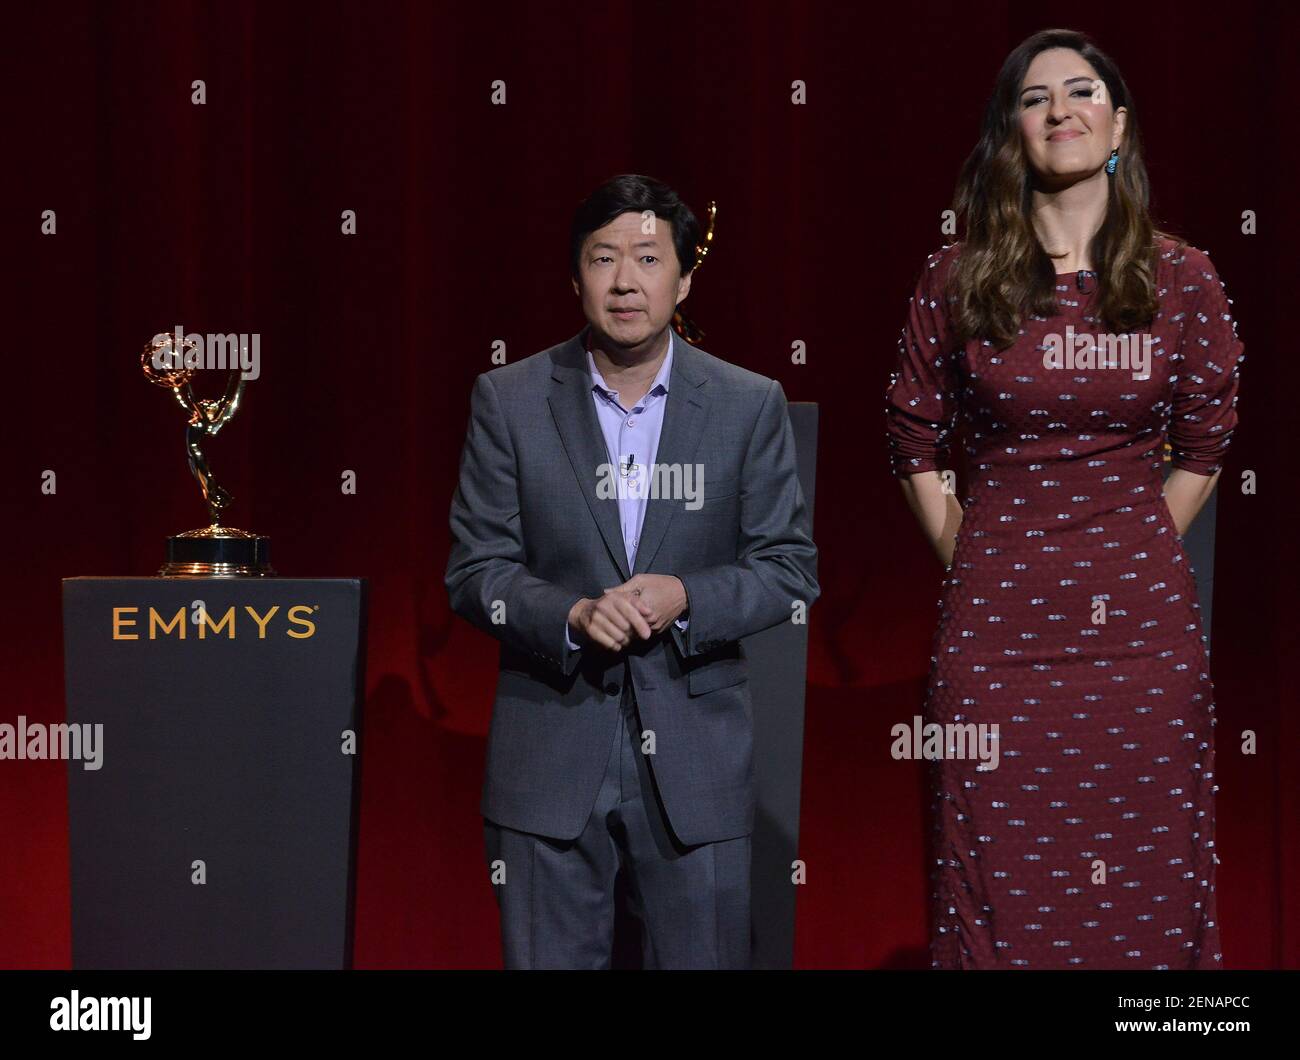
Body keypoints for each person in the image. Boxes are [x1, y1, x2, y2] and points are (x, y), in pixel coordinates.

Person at [885, 29, 1244, 969]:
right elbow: (913, 439)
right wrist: (976, 557)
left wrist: (1131, 547)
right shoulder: (953, 278)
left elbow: (1206, 444)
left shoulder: (1186, 278)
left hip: (1140, 638)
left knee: (1151, 881)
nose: (1060, 110)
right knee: (998, 882)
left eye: (1081, 92)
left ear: (1118, 123)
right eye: (1035, 98)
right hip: (998, 639)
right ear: (1013, 132)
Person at [445, 173, 819, 968]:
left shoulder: (748, 403)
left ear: (684, 278)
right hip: (549, 748)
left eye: (648, 259)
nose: (624, 280)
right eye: (603, 258)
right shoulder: (508, 400)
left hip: (697, 758)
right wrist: (570, 614)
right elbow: (476, 569)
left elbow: (788, 567)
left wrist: (686, 594)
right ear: (574, 277)